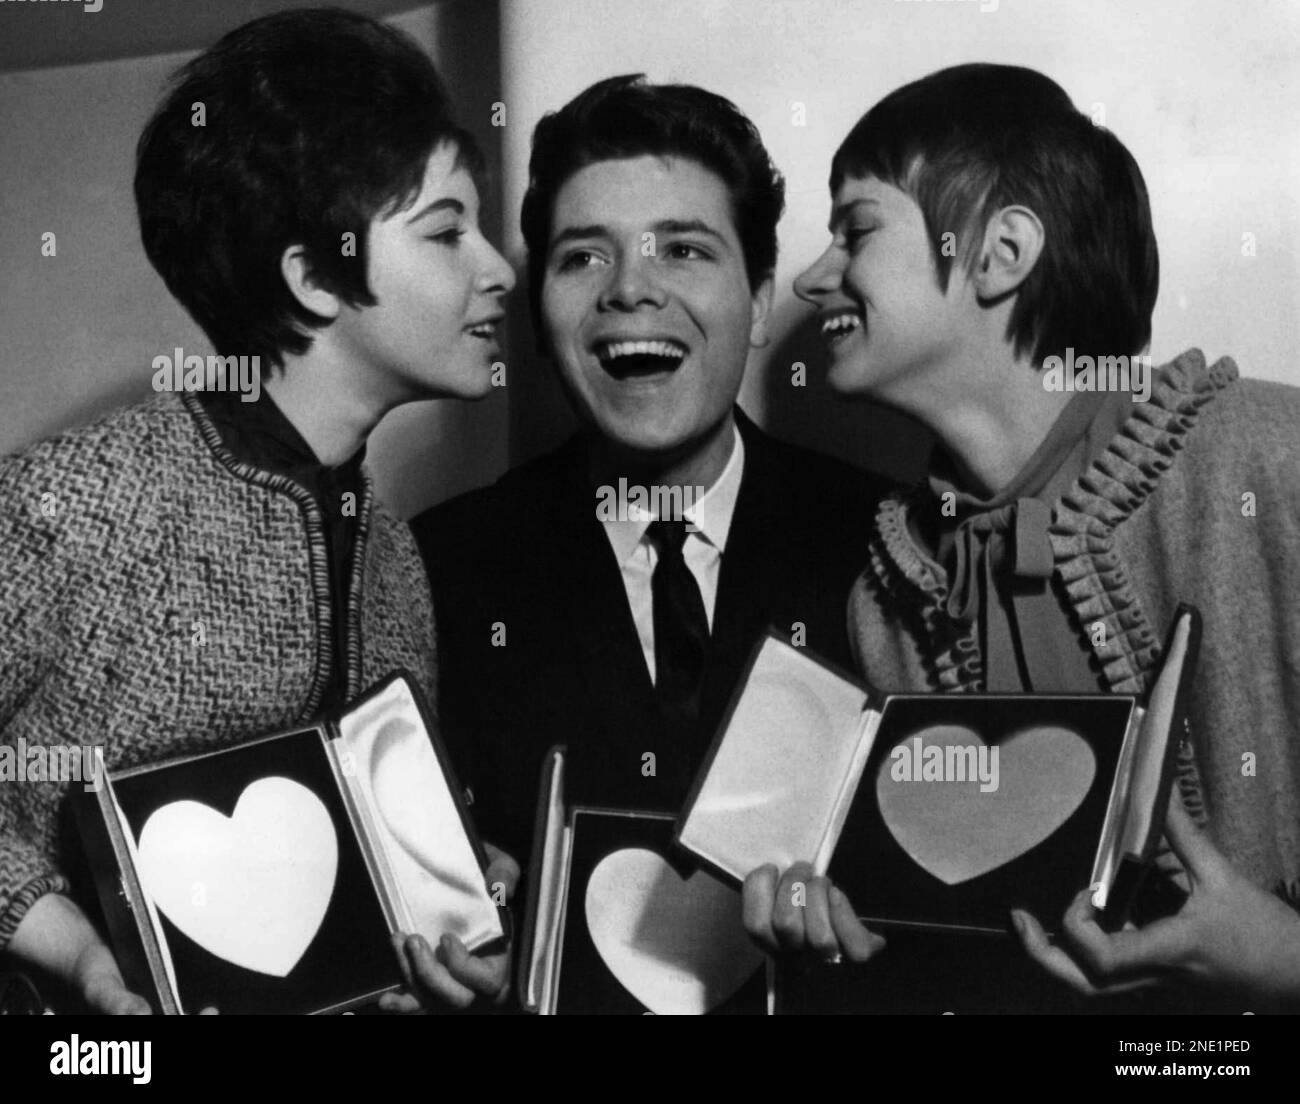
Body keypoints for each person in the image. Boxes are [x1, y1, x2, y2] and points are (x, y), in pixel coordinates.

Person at [743, 62, 1300, 1012]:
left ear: (1000, 252)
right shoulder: (887, 602)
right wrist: (843, 922)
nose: (811, 275)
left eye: (858, 229)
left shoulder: (1268, 461)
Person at [0, 9, 517, 1013]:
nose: (497, 266)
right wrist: (77, 956)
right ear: (314, 277)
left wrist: (438, 903)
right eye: (449, 231)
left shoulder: (397, 553)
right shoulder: (69, 502)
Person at [412, 76, 892, 891]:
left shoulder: (887, 541)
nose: (630, 288)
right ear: (538, 318)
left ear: (761, 303)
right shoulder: (440, 564)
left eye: (684, 249)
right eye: (583, 257)